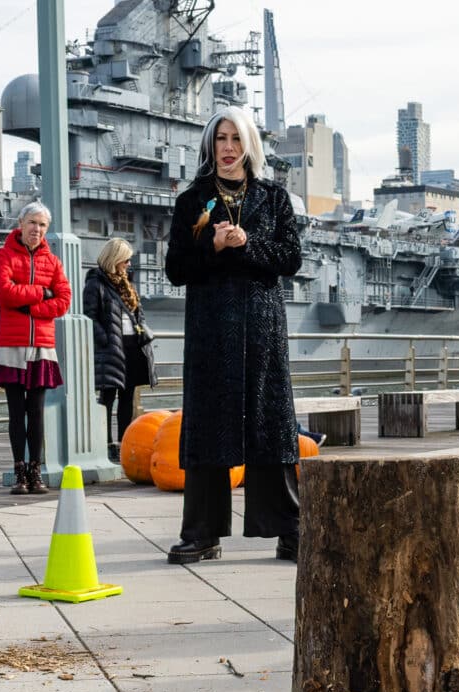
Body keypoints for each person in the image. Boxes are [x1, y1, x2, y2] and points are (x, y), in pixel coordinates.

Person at [162, 105, 303, 564]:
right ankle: (201, 533)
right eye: (221, 139)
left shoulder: (275, 198)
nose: (228, 148)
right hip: (211, 330)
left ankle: (289, 526)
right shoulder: (191, 201)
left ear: (249, 145)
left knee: (271, 423)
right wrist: (213, 245)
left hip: (262, 328)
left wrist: (248, 244)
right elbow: (176, 269)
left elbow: (290, 258)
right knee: (207, 426)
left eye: (236, 139)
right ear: (210, 144)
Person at [0, 201, 70, 494]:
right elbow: (4, 292)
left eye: (42, 225)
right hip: (11, 342)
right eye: (32, 223)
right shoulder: (4, 254)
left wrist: (32, 309)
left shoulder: (53, 261)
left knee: (36, 411)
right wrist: (41, 292)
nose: (37, 229)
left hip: (42, 344)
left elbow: (64, 300)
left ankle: (35, 472)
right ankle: (18, 471)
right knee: (15, 410)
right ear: (20, 225)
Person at [84, 237, 157, 462]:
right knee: (107, 396)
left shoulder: (127, 283)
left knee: (127, 397)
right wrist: (104, 338)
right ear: (114, 258)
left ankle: (125, 442)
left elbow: (138, 310)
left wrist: (141, 328)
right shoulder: (95, 284)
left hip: (132, 345)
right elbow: (89, 315)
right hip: (111, 346)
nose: (128, 264)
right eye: (125, 259)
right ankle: (106, 443)